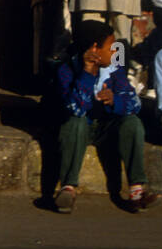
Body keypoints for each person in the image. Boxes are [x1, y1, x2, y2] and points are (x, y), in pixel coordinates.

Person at [53, 20, 156, 213]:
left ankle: (137, 189)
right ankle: (68, 187)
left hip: (107, 129)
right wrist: (87, 74)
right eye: (111, 46)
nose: (115, 51)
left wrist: (114, 100)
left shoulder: (114, 70)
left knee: (132, 122)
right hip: (80, 131)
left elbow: (134, 103)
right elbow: (76, 109)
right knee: (76, 122)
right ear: (94, 49)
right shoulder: (67, 70)